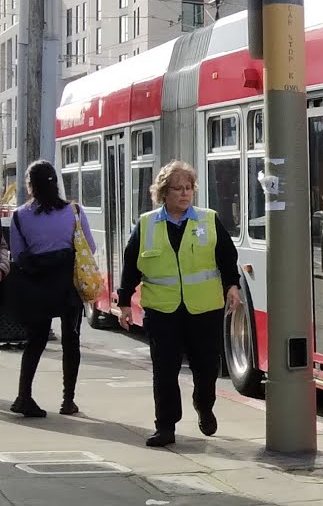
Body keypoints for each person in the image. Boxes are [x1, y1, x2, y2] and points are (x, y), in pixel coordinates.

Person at [116, 160, 241, 447]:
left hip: (204, 308)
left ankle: (204, 403)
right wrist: (124, 302)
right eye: (178, 189)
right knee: (164, 370)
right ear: (163, 193)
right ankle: (166, 426)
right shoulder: (147, 224)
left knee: (207, 366)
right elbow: (131, 264)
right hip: (162, 310)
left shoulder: (209, 220)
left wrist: (231, 285)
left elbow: (226, 256)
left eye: (189, 188)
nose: (185, 194)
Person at [8, 160, 92, 418]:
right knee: (71, 340)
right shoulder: (74, 211)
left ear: (30, 186)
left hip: (37, 285)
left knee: (36, 340)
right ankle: (68, 400)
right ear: (56, 183)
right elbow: (89, 246)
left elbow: (19, 254)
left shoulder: (19, 216)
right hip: (68, 286)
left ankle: (24, 396)